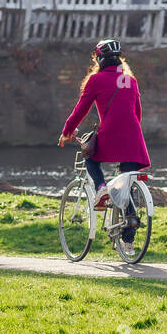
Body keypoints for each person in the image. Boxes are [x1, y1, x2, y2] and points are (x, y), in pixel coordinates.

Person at [58, 39, 150, 244]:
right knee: (124, 185)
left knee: (89, 157)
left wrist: (67, 131)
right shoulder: (130, 80)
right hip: (133, 137)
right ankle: (129, 244)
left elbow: (80, 110)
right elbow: (138, 113)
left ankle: (100, 188)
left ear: (99, 59)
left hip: (110, 134)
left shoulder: (96, 80)